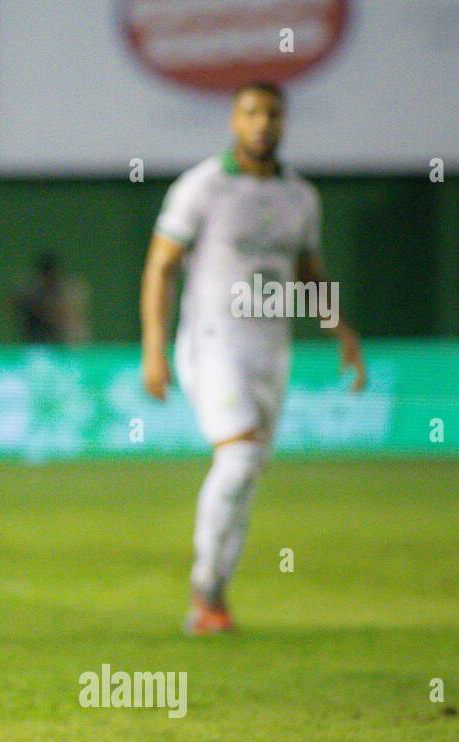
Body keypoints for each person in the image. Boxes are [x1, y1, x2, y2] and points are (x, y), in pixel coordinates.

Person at [139, 81, 365, 635]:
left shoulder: (300, 196)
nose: (262, 123)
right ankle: (204, 589)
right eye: (250, 113)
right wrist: (153, 344)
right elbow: (161, 267)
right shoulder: (203, 187)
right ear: (235, 122)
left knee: (247, 472)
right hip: (212, 343)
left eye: (272, 114)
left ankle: (215, 596)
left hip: (271, 349)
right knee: (238, 461)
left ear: (284, 122)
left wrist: (341, 331)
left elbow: (309, 272)